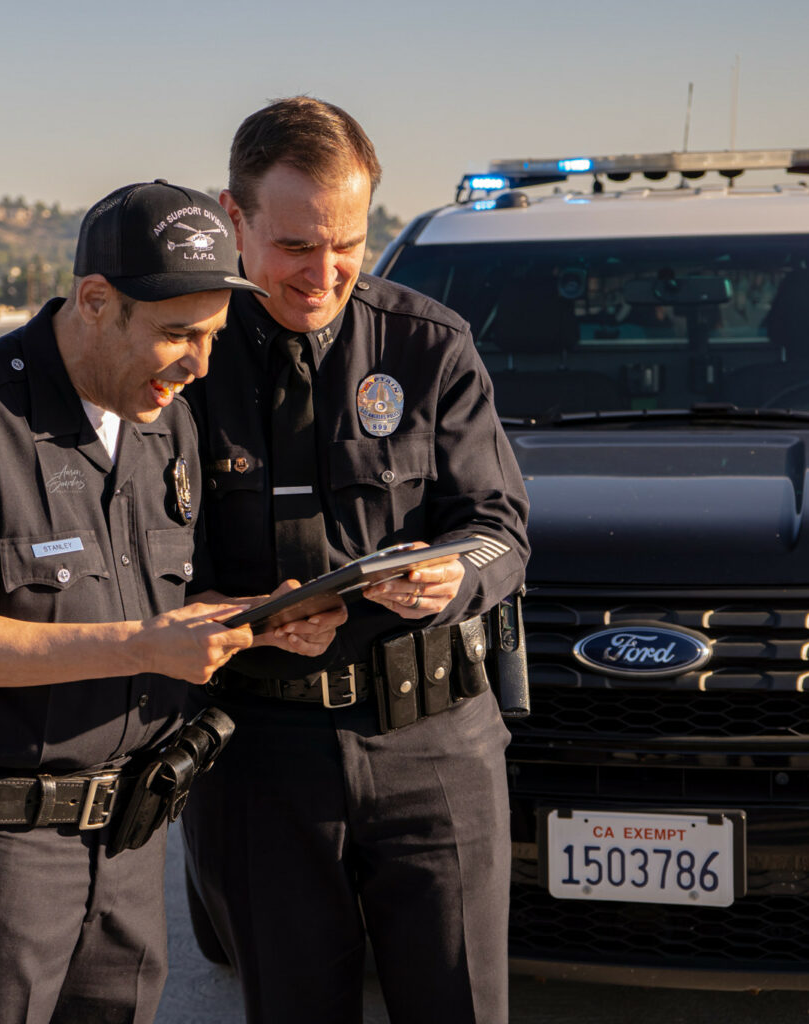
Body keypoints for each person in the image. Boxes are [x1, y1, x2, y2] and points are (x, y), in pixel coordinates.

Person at [0, 179, 342, 1024]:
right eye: (177, 336)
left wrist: (258, 620)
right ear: (95, 301)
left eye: (211, 337)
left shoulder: (166, 421)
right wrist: (143, 647)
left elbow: (158, 594)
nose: (199, 365)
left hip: (131, 839)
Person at [180, 97, 529, 1024]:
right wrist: (232, 611)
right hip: (262, 758)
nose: (323, 273)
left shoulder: (428, 344)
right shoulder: (183, 360)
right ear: (234, 218)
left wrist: (457, 577)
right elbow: (133, 548)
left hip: (436, 750)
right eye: (297, 245)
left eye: (347, 242)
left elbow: (499, 525)